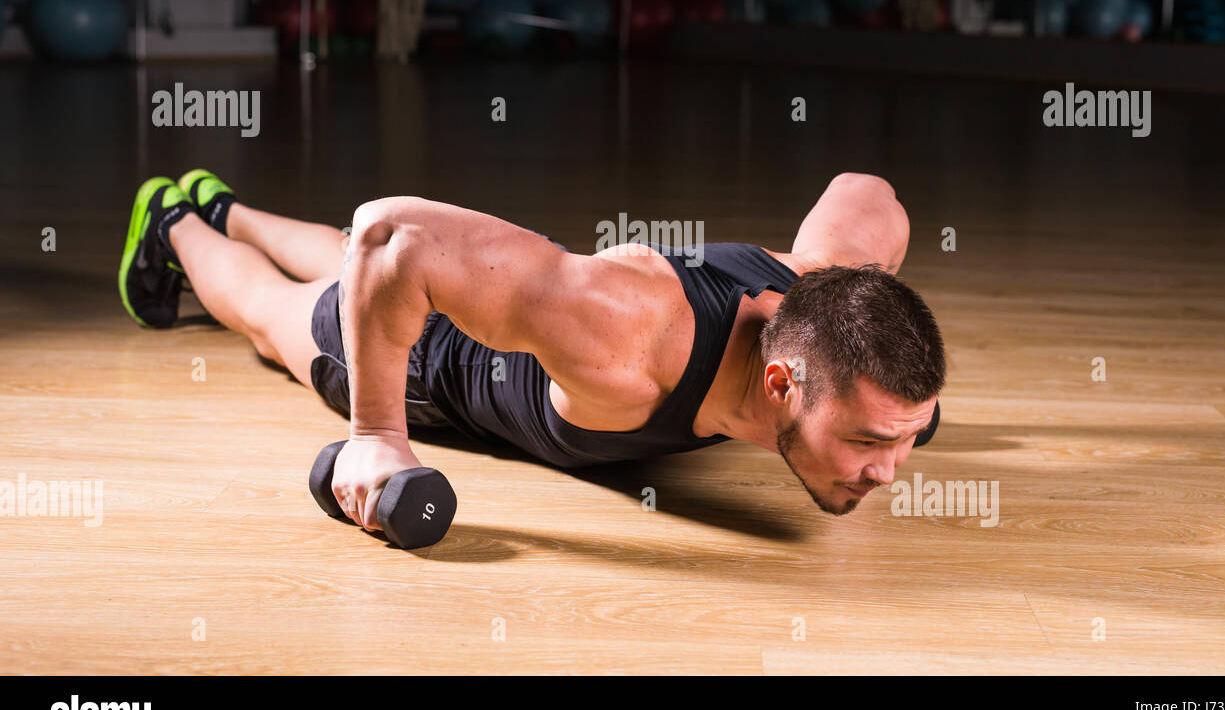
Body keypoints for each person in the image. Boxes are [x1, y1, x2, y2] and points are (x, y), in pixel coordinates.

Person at [119, 170, 945, 529]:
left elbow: (867, 194)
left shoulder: (821, 290)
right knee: (272, 314)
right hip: (426, 363)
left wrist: (889, 416)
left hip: (510, 306)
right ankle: (176, 220)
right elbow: (390, 236)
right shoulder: (633, 336)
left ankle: (225, 206)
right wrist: (375, 436)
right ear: (779, 382)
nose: (887, 471)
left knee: (340, 250)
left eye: (904, 437)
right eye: (870, 443)